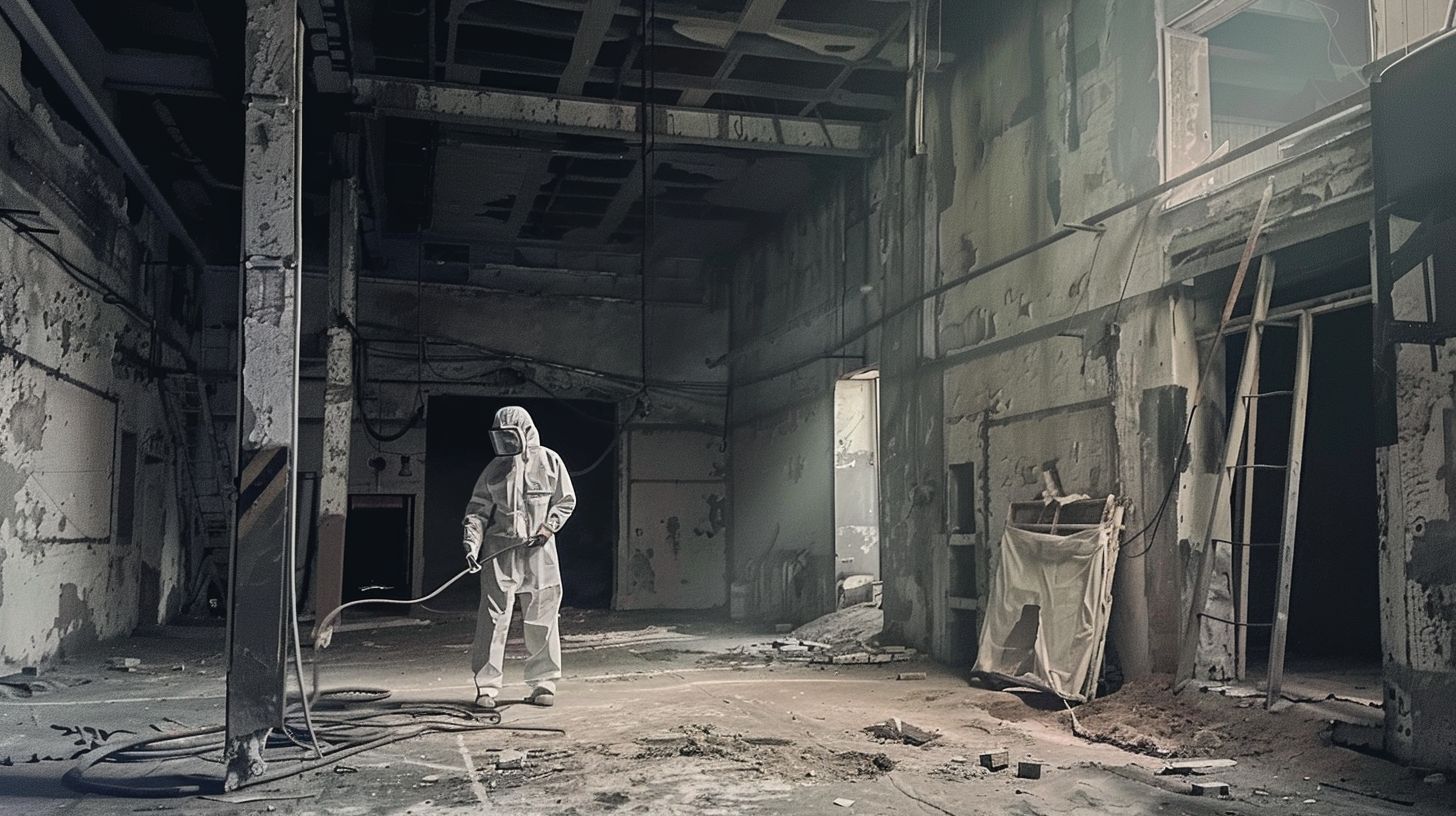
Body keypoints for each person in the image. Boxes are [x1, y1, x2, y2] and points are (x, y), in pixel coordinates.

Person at [461, 406, 576, 709]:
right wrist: (472, 547)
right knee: (493, 618)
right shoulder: (494, 469)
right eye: (502, 437)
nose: (507, 444)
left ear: (526, 432)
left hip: (539, 552)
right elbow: (477, 512)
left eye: (511, 437)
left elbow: (565, 501)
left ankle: (544, 683)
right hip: (500, 553)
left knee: (544, 617)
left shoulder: (550, 462)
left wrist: (549, 528)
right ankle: (487, 687)